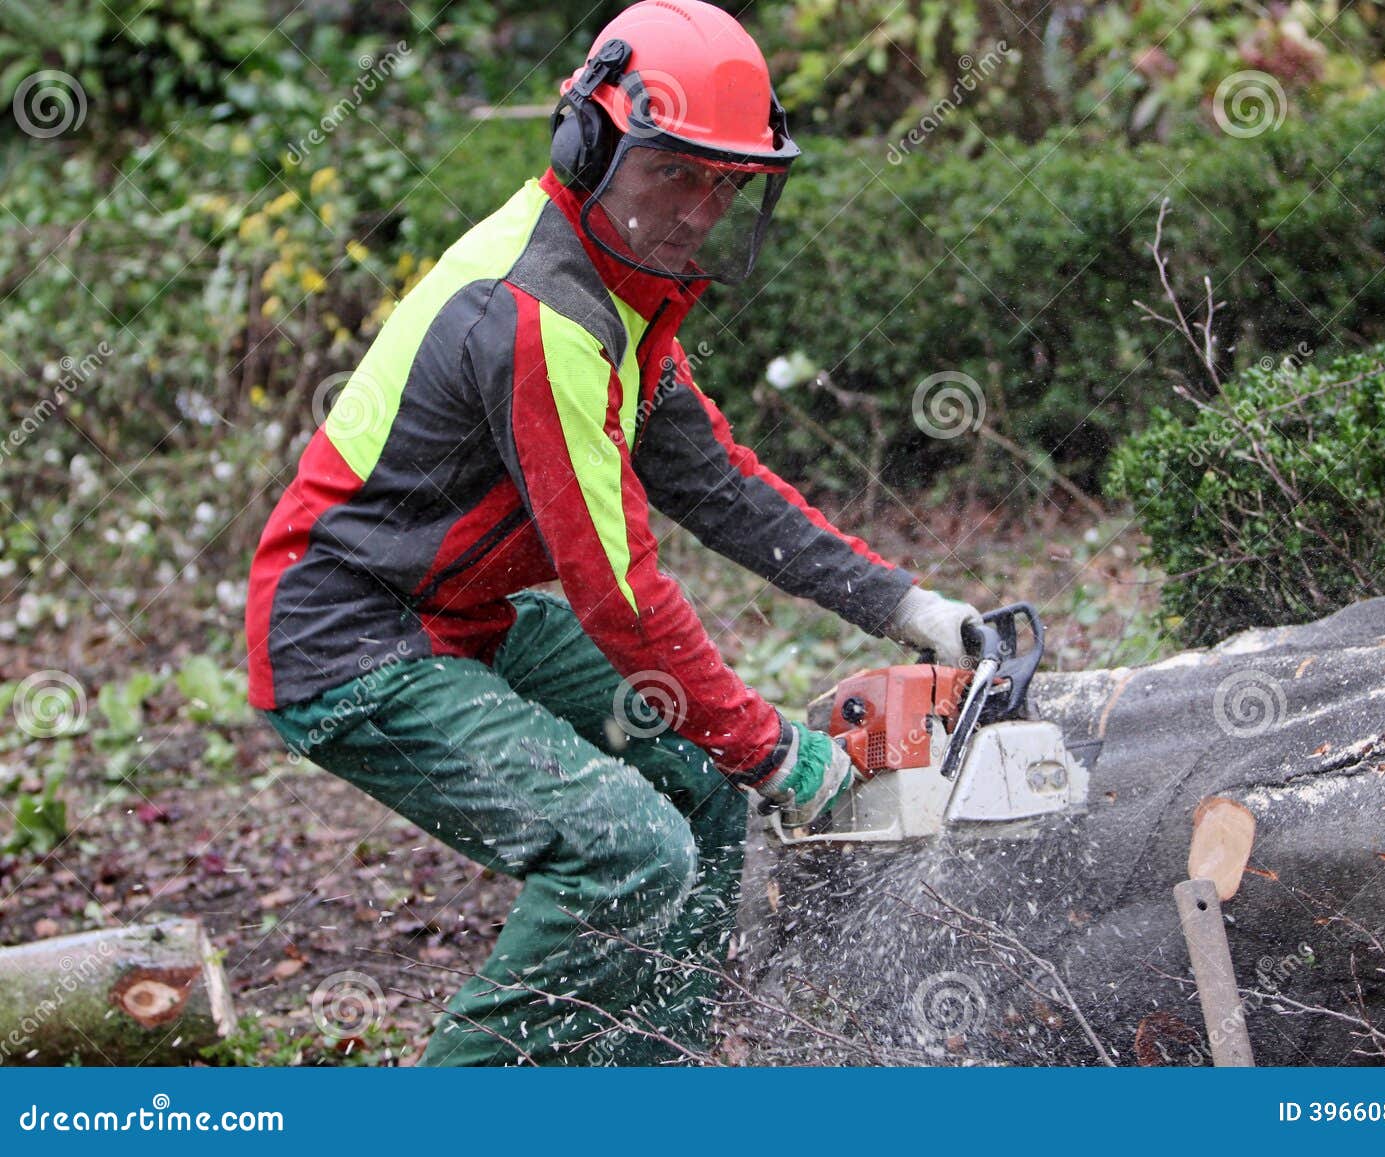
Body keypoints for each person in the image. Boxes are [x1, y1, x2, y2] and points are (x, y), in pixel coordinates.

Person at [244, 0, 981, 1066]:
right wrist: (780, 753)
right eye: (672, 171)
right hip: (347, 638)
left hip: (457, 613)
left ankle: (645, 1082)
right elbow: (616, 591)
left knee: (697, 784)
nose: (697, 208)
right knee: (625, 849)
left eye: (724, 183)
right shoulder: (540, 316)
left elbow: (716, 482)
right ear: (589, 144)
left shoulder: (620, 288)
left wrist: (909, 605)